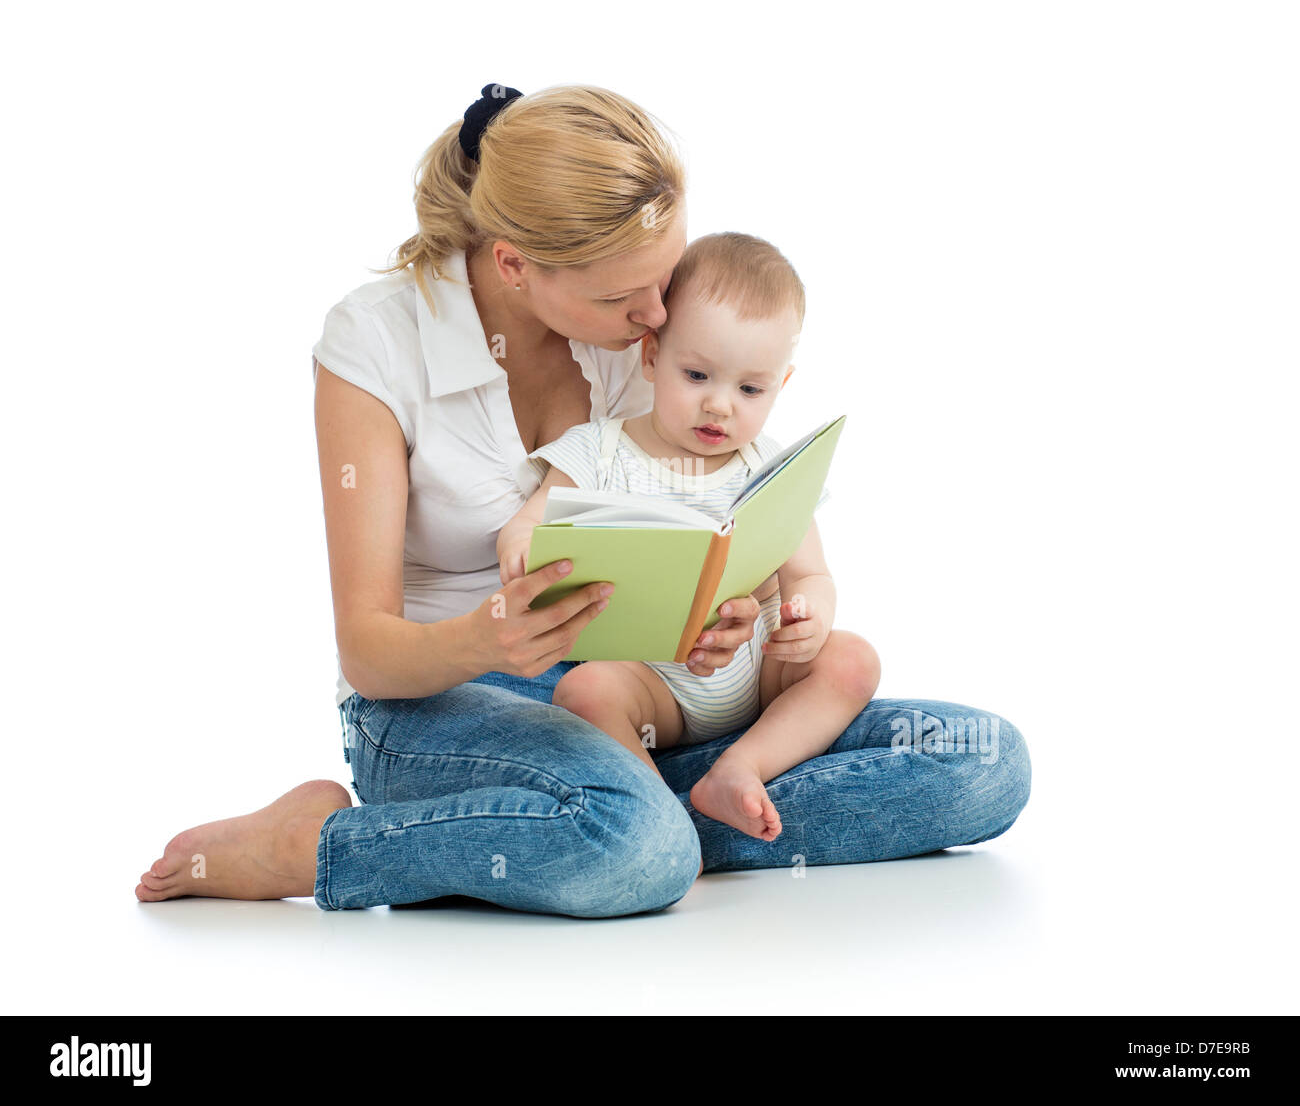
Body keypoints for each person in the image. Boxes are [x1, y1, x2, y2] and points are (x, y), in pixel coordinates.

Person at [135, 82, 1031, 917]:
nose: (656, 315)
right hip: (445, 703)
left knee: (983, 762)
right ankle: (325, 844)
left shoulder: (641, 333)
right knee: (638, 848)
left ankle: (631, 814)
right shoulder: (376, 346)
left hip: (642, 698)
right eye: (623, 295)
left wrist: (735, 611)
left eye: (664, 278)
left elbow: (702, 505)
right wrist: (486, 637)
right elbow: (368, 653)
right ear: (517, 266)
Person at [499, 232, 881, 844]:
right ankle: (662, 822)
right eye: (697, 374)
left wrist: (810, 612)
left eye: (750, 389)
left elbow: (809, 574)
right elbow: (533, 518)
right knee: (584, 689)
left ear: (781, 384)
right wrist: (521, 542)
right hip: (655, 687)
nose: (719, 406)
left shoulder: (771, 468)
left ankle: (740, 769)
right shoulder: (600, 449)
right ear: (650, 356)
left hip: (759, 674)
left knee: (853, 661)